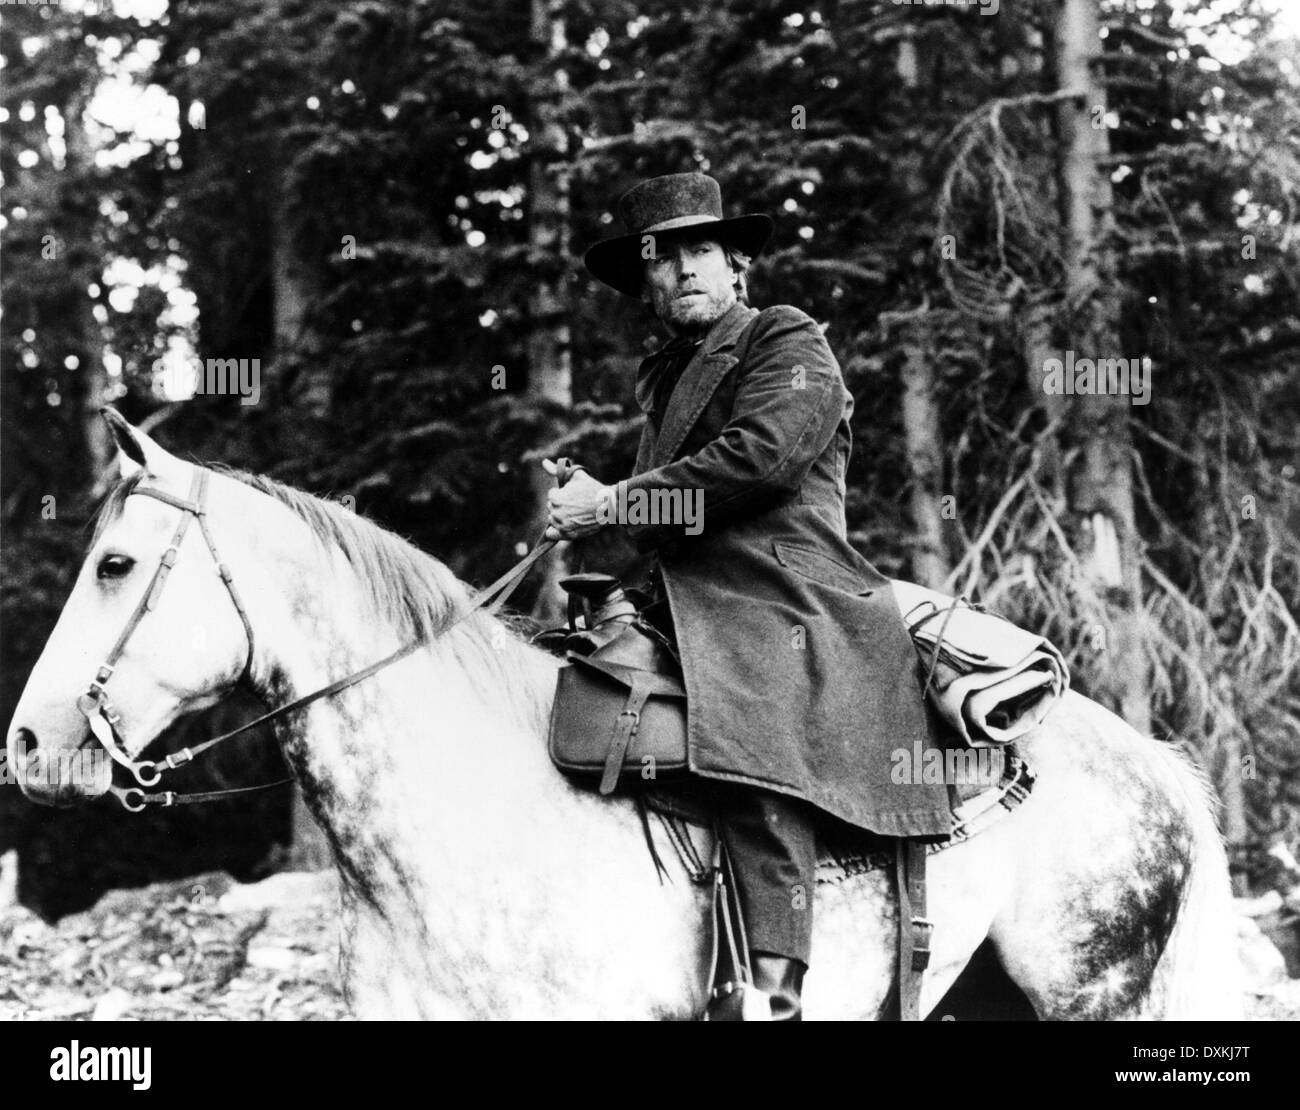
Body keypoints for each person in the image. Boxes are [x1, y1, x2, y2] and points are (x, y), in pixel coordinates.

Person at [545, 173, 950, 1020]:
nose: (685, 269)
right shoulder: (665, 375)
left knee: (747, 727)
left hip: (786, 589)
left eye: (702, 251)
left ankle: (773, 992)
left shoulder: (785, 337)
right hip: (692, 595)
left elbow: (759, 460)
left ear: (735, 266)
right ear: (646, 283)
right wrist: (592, 515)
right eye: (665, 258)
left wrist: (612, 502)